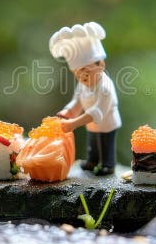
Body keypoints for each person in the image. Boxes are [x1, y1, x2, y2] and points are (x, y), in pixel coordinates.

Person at [50, 22, 121, 176]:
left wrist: (73, 123)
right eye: (77, 73)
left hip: (107, 122)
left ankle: (108, 164)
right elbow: (77, 101)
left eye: (86, 71)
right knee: (93, 142)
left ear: (101, 64)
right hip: (90, 123)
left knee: (104, 142)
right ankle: (92, 161)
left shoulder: (105, 88)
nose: (82, 76)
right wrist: (66, 113)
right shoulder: (83, 84)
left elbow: (97, 112)